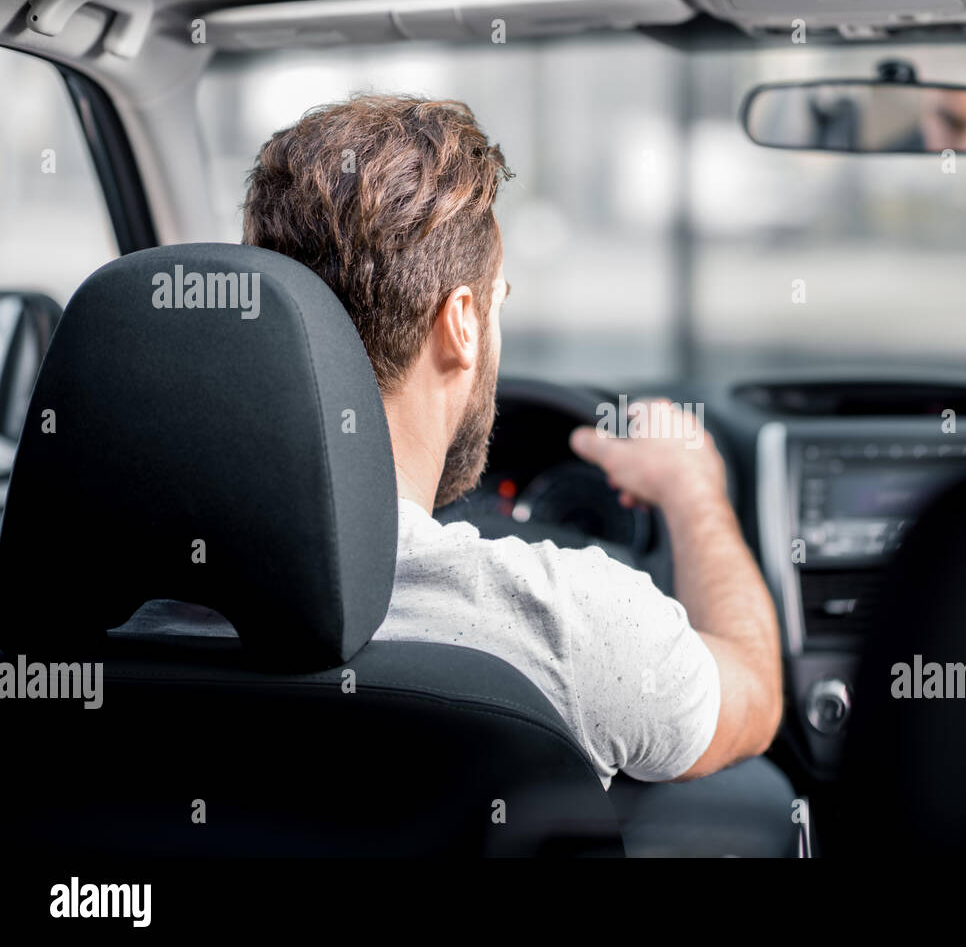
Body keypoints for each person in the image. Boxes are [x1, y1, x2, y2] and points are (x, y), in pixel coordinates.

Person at [235, 95, 792, 854]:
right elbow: (756, 699)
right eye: (499, 304)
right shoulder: (567, 620)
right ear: (460, 322)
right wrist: (696, 492)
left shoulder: (111, 602)